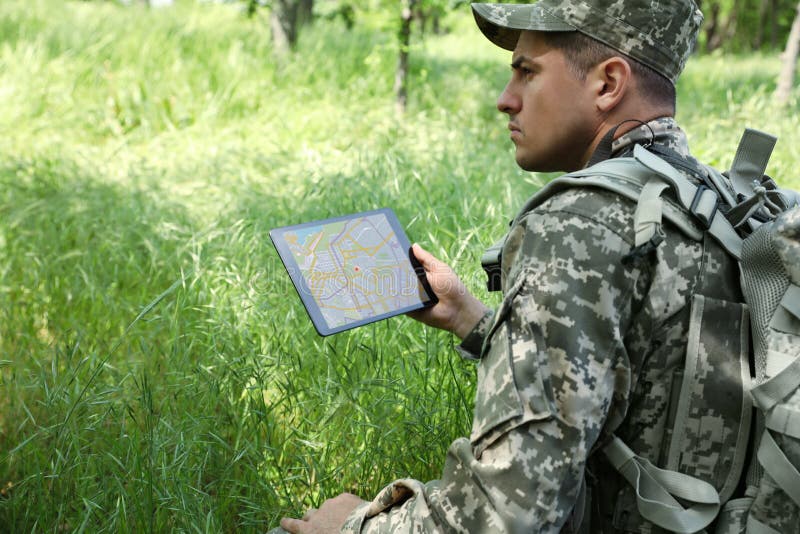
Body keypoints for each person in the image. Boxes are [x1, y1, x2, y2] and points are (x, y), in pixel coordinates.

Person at [277, 0, 747, 532]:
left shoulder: (578, 226)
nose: (506, 100)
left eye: (527, 71)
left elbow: (507, 514)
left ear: (608, 84)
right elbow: (652, 384)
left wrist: (352, 526)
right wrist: (473, 320)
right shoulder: (722, 205)